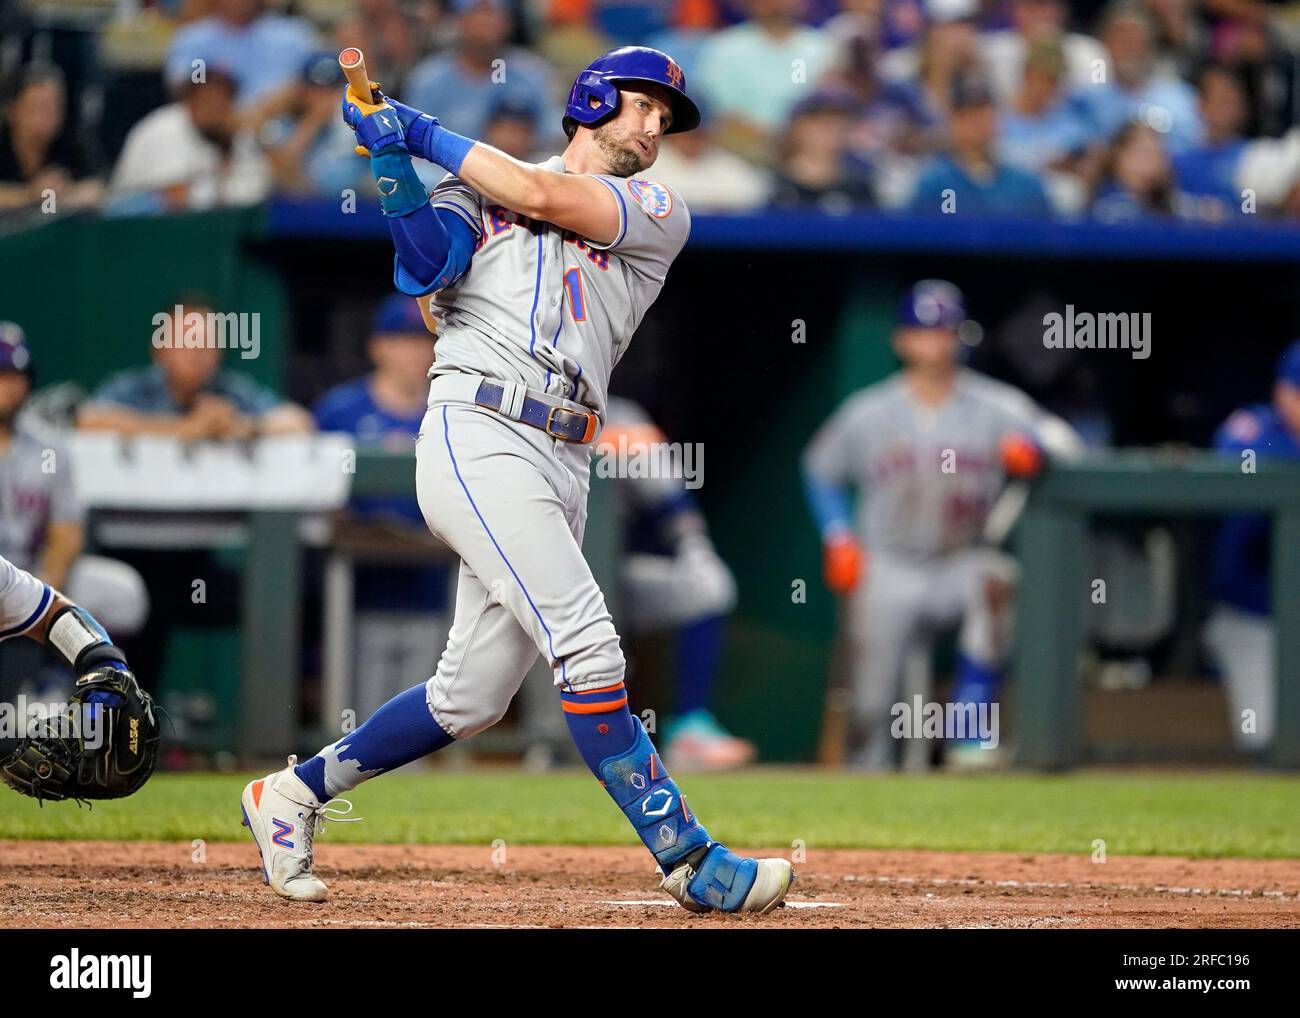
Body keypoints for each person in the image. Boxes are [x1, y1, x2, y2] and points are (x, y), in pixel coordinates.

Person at [239, 45, 794, 914]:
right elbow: (425, 268)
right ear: (595, 97)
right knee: (588, 645)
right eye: (644, 107)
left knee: (470, 698)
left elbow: (539, 196)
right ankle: (691, 860)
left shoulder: (655, 206)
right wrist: (392, 161)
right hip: (478, 429)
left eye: (665, 118)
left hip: (565, 454)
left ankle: (293, 794)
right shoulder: (481, 184)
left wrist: (414, 128)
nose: (655, 127)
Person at [801, 280, 1081, 769]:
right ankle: (867, 804)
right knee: (870, 705)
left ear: (960, 337)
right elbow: (820, 469)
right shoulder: (868, 410)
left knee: (997, 580)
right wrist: (838, 537)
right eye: (923, 331)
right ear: (902, 340)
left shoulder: (999, 406)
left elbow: (1066, 444)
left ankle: (969, 732)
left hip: (960, 559)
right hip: (887, 563)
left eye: (945, 331)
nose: (935, 342)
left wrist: (1033, 450)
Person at [523, 395, 753, 770]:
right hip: (529, 573)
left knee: (709, 586)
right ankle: (547, 743)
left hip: (612, 573)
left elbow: (670, 500)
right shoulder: (506, 399)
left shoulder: (623, 417)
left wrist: (693, 544)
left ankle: (690, 727)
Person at [313, 295, 450, 719]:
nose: (413, 352)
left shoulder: (451, 408)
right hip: (356, 590)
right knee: (357, 717)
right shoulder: (342, 409)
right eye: (401, 341)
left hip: (435, 588)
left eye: (421, 341)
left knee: (429, 719)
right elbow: (315, 498)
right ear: (378, 347)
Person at [0, 324, 148, 653]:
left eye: (17, 377)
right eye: (2, 376)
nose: (10, 387)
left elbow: (67, 532)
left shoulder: (49, 446)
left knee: (122, 593)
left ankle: (75, 679)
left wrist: (42, 591)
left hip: (34, 571)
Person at [1203, 340, 1300, 758]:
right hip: (1253, 615)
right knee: (1264, 736)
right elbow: (1236, 463)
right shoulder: (1254, 428)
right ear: (1283, 391)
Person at [77, 298, 312, 438]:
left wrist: (242, 427)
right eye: (187, 343)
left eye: (207, 344)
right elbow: (88, 420)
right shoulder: (135, 386)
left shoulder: (230, 389)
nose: (197, 354)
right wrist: (184, 429)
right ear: (160, 349)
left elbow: (298, 422)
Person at [108, 68, 271, 213]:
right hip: (131, 221)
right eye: (208, 99)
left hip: (197, 225)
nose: (216, 107)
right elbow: (176, 198)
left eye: (223, 99)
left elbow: (260, 188)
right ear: (191, 100)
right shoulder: (164, 128)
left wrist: (231, 154)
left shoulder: (234, 132)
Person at [694, 0, 836, 163]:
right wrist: (767, 138)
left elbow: (825, 105)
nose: (776, 5)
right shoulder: (725, 47)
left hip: (805, 149)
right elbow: (716, 108)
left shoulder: (820, 48)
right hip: (741, 147)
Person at [405, 0, 558, 144]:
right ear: (459, 19)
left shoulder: (531, 73)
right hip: (443, 170)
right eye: (478, 12)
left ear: (508, 21)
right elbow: (413, 142)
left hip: (518, 168)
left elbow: (551, 137)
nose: (486, 22)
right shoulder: (430, 79)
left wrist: (523, 142)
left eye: (492, 12)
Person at [907, 71, 1054, 216]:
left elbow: (1049, 235)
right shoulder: (936, 185)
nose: (976, 123)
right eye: (966, 116)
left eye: (984, 114)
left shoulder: (1025, 186)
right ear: (952, 121)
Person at [164, 0, 318, 114]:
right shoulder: (196, 39)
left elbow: (322, 76)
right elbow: (192, 86)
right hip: (217, 127)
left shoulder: (294, 35)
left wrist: (284, 97)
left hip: (285, 123)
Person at [0, 63, 103, 213]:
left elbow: (95, 189)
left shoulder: (73, 139)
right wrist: (31, 194)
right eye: (36, 108)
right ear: (12, 110)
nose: (46, 117)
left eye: (53, 107)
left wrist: (57, 197)